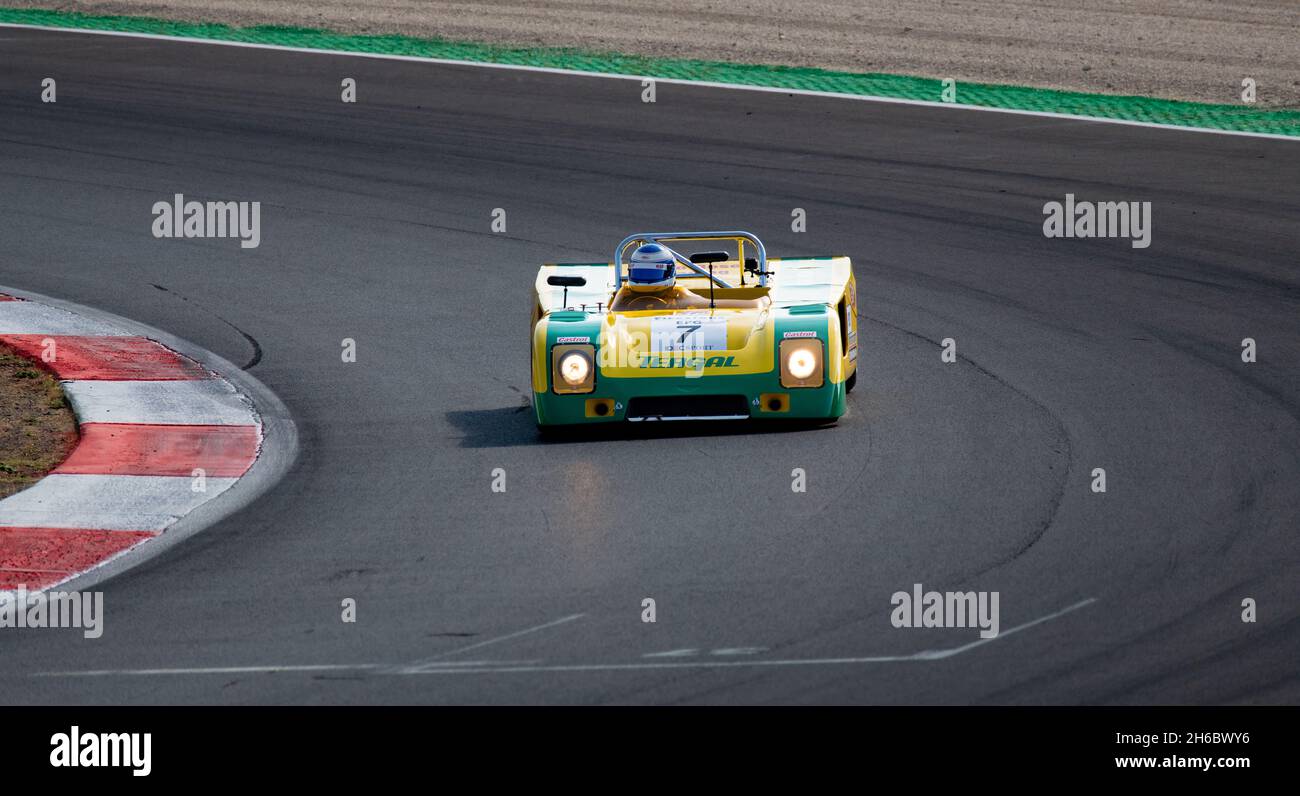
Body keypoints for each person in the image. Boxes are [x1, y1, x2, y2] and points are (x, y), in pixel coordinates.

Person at [613, 243, 762, 310]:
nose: (645, 278)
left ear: (669, 271)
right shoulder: (623, 295)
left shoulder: (680, 295)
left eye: (652, 272)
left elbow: (711, 304)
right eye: (641, 272)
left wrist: (759, 303)